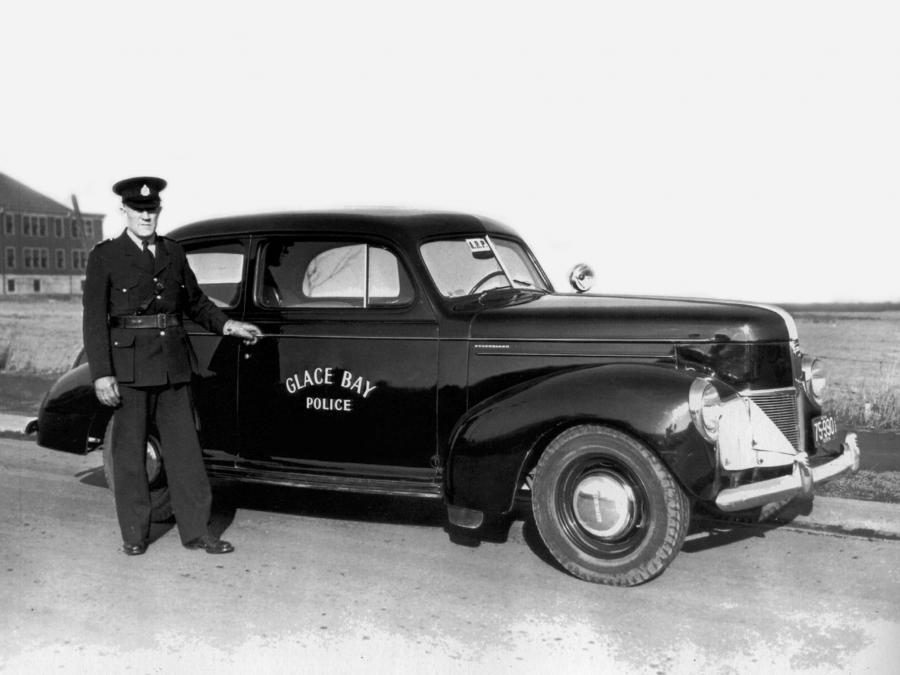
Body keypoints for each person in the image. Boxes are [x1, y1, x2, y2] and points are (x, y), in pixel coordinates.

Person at [83, 176, 262, 556]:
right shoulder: (105, 256)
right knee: (130, 456)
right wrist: (102, 373)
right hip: (128, 367)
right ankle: (135, 534)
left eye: (151, 210)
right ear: (124, 212)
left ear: (159, 211)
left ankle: (197, 531)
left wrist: (228, 325)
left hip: (173, 365)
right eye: (138, 210)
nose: (146, 216)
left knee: (186, 452)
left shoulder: (172, 253)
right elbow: (94, 319)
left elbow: (195, 302)